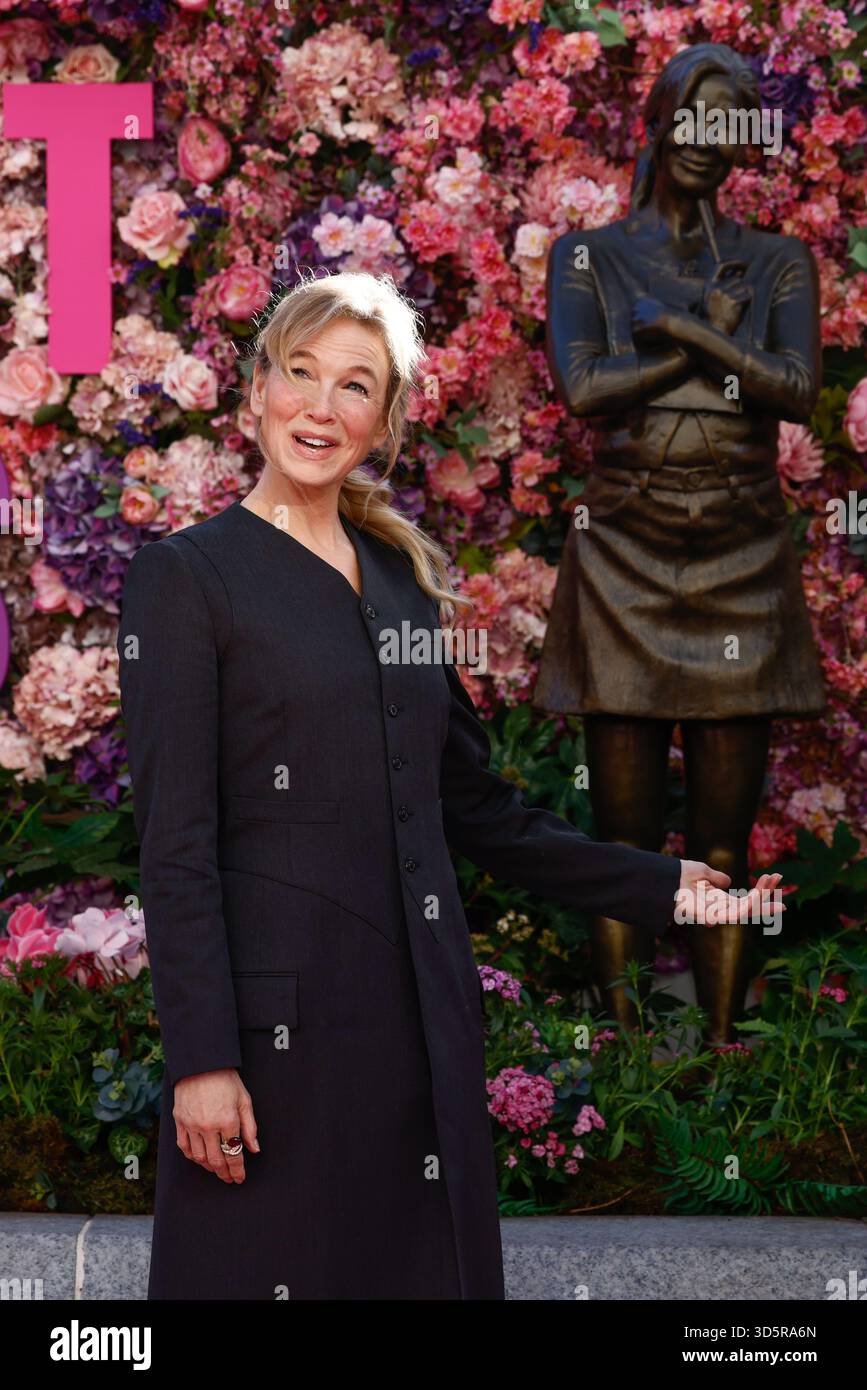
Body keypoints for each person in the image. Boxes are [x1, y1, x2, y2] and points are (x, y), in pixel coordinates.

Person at [117, 268, 783, 1300]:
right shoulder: (185, 579)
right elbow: (175, 842)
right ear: (254, 391)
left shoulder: (401, 582)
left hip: (417, 1029)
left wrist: (659, 884)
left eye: (356, 386)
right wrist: (202, 1058)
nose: (321, 407)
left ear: (384, 422)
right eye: (301, 374)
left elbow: (475, 809)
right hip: (269, 1056)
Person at [534, 43, 820, 1042]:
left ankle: (724, 1056)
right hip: (622, 554)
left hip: (741, 550)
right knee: (621, 835)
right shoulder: (588, 256)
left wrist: (681, 329)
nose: (709, 142)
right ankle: (617, 1050)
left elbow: (792, 392)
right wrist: (706, 333)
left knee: (723, 835)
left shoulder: (780, 260)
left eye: (731, 123)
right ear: (656, 120)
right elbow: (583, 392)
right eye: (696, 117)